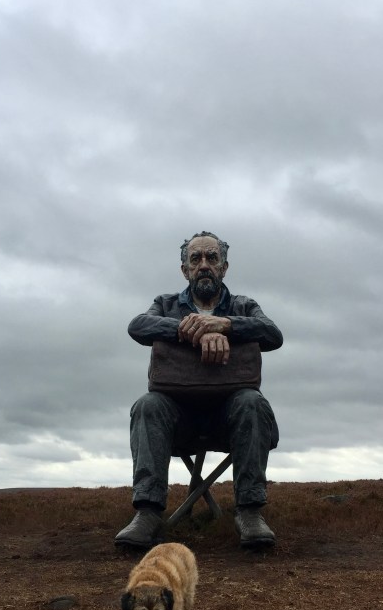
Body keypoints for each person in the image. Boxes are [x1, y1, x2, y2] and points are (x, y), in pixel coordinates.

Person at [114, 230, 283, 550]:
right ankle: (148, 513)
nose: (204, 264)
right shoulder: (164, 304)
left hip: (230, 422)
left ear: (224, 267)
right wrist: (190, 329)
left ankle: (250, 512)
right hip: (178, 422)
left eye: (211, 258)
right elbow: (137, 326)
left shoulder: (244, 305)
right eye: (196, 259)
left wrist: (227, 326)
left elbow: (272, 334)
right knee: (148, 404)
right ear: (185, 270)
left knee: (252, 402)